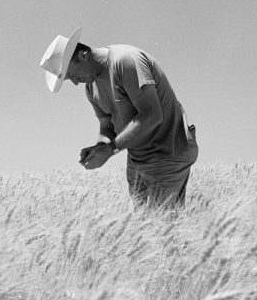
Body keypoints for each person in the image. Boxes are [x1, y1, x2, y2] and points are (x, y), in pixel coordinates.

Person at [39, 27, 199, 209]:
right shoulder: (91, 88)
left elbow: (152, 115)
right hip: (137, 159)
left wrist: (111, 149)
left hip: (167, 152)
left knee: (162, 228)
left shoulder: (126, 61)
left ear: (83, 55)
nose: (75, 83)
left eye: (73, 75)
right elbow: (107, 127)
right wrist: (100, 147)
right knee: (143, 228)